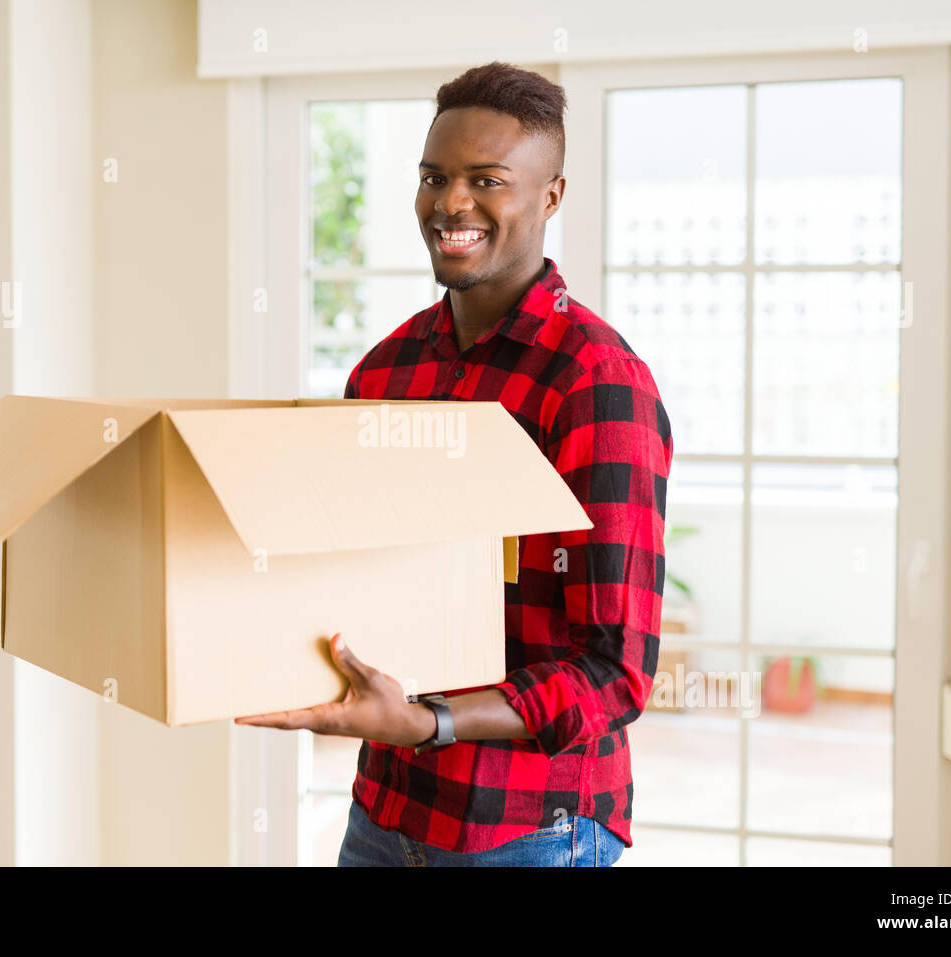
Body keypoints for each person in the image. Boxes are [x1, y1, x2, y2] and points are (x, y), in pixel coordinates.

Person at [236, 61, 673, 867]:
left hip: (528, 829)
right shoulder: (385, 370)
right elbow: (360, 573)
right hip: (386, 810)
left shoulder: (593, 380)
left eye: (487, 179)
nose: (451, 203)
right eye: (435, 176)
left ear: (551, 196)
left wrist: (434, 720)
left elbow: (615, 672)